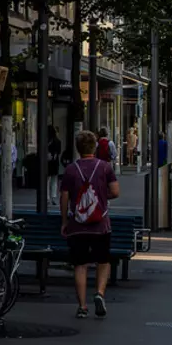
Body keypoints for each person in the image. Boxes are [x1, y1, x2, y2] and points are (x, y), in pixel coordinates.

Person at [60, 131, 120, 318]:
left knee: (80, 265)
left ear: (78, 149)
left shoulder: (71, 169)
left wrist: (64, 221)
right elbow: (116, 192)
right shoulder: (104, 168)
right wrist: (100, 197)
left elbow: (64, 197)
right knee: (103, 261)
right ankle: (100, 293)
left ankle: (82, 306)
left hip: (77, 225)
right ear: (94, 147)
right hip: (100, 224)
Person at [46, 126, 63, 205]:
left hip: (47, 163)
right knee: (54, 181)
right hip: (55, 163)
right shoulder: (58, 141)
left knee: (47, 180)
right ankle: (53, 197)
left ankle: (47, 197)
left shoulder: (45, 141)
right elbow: (58, 152)